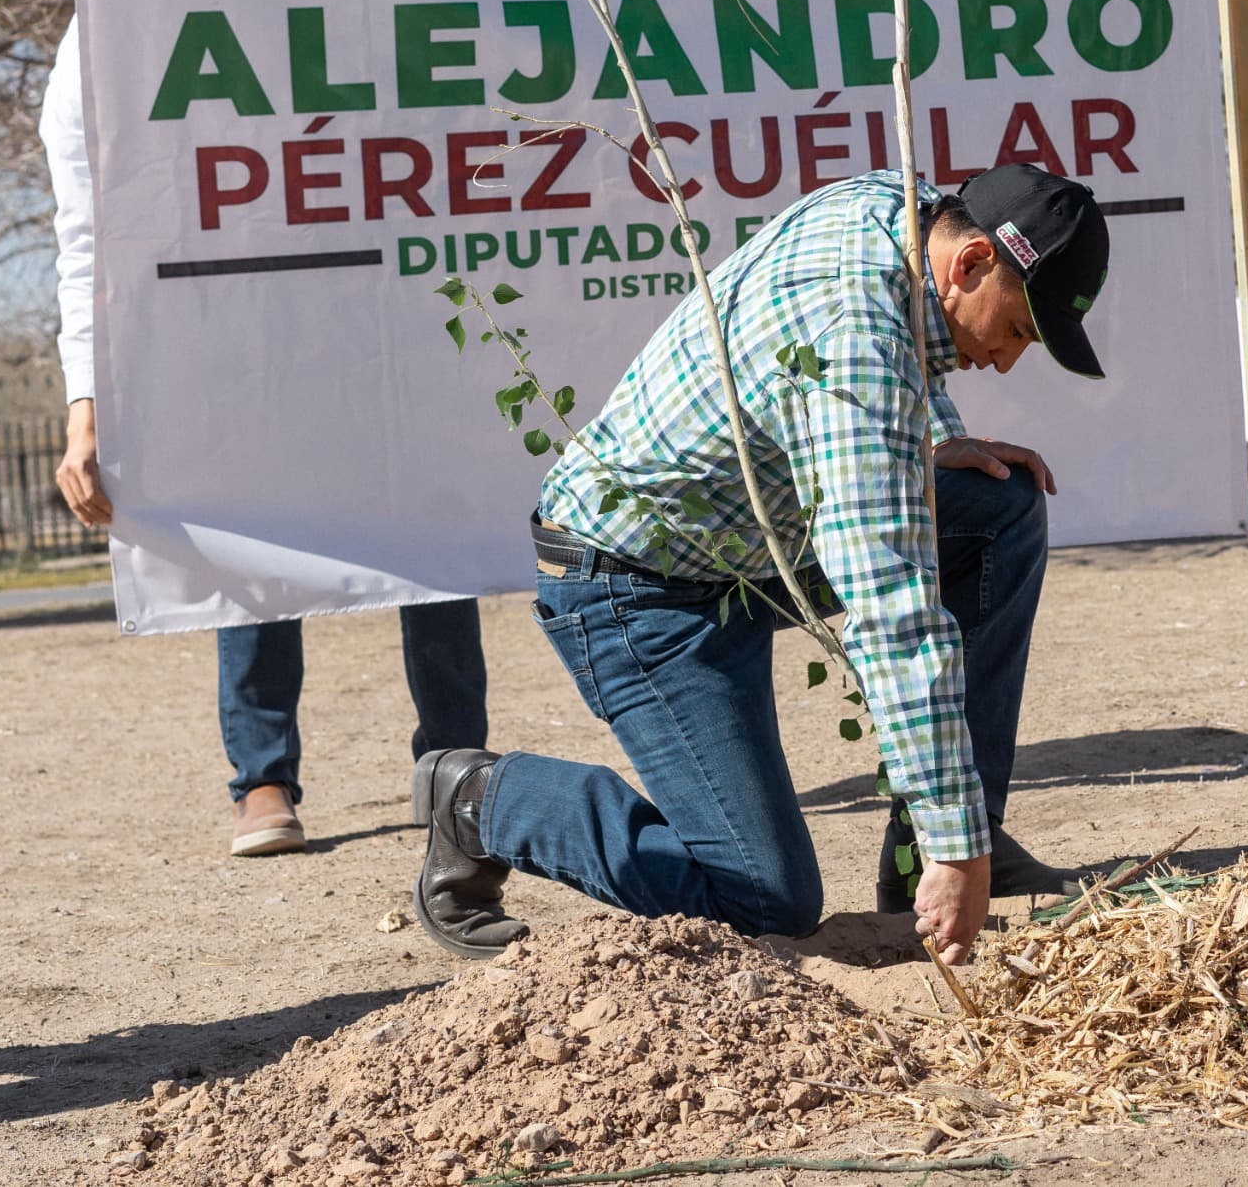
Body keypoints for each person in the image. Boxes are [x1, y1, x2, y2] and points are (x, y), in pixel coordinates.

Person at [409, 165, 1100, 964]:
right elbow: (890, 605)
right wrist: (956, 838)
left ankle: (928, 854)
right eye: (1016, 329)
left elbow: (896, 339)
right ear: (972, 262)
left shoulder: (900, 206)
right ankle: (479, 800)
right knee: (765, 899)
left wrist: (935, 434)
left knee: (1000, 508)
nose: (1009, 360)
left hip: (744, 546)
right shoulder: (855, 340)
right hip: (634, 587)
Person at [29, 0, 508, 877]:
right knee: (248, 537)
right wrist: (85, 406)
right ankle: (263, 776)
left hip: (365, 309)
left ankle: (456, 762)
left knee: (427, 527)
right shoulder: (78, 79)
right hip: (228, 336)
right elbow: (88, 247)